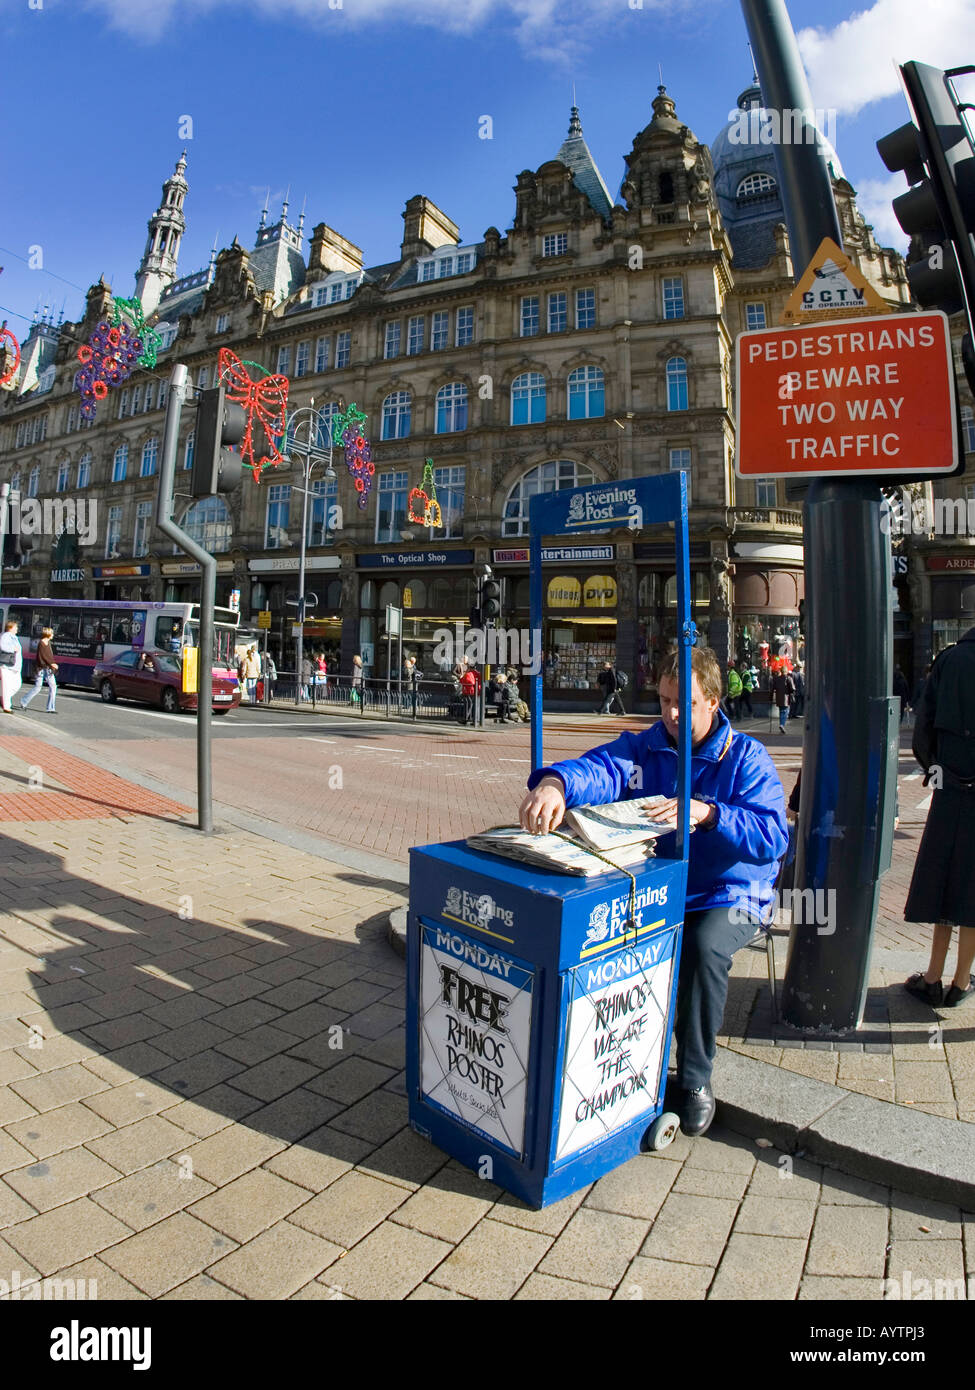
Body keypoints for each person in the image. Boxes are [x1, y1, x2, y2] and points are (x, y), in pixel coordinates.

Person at [519, 644, 788, 1137]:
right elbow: (601, 769)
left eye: (683, 703)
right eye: (664, 700)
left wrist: (708, 814)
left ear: (713, 701)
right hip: (666, 885)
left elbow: (772, 835)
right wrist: (557, 783)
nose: (671, 713)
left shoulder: (746, 757)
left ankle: (694, 1078)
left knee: (704, 948)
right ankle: (625, 1063)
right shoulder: (647, 746)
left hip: (733, 893)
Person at [903, 626, 975, 1009]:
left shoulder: (949, 660)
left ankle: (932, 976)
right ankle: (961, 982)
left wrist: (936, 772)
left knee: (943, 881)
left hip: (949, 789)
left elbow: (922, 732)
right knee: (972, 889)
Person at [20, 626, 58, 714]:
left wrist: (52, 664)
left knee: (53, 686)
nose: (53, 635)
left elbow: (49, 656)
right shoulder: (42, 643)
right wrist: (52, 664)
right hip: (41, 668)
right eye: (52, 633)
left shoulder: (48, 643)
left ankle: (50, 708)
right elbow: (43, 656)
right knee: (38, 687)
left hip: (47, 668)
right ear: (48, 634)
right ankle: (23, 701)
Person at [0, 620, 23, 714]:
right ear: (11, 627)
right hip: (7, 666)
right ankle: (7, 707)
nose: (17, 628)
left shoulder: (14, 637)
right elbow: (2, 647)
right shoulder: (6, 636)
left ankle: (3, 700)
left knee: (17, 685)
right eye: (16, 627)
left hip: (15, 667)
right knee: (6, 687)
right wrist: (13, 649)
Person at [770, 661, 794, 734]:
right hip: (786, 698)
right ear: (786, 671)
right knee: (785, 711)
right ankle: (782, 724)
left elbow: (773, 688)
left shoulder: (776, 679)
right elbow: (793, 688)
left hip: (779, 698)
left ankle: (781, 724)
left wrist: (770, 697)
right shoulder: (789, 678)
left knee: (781, 711)